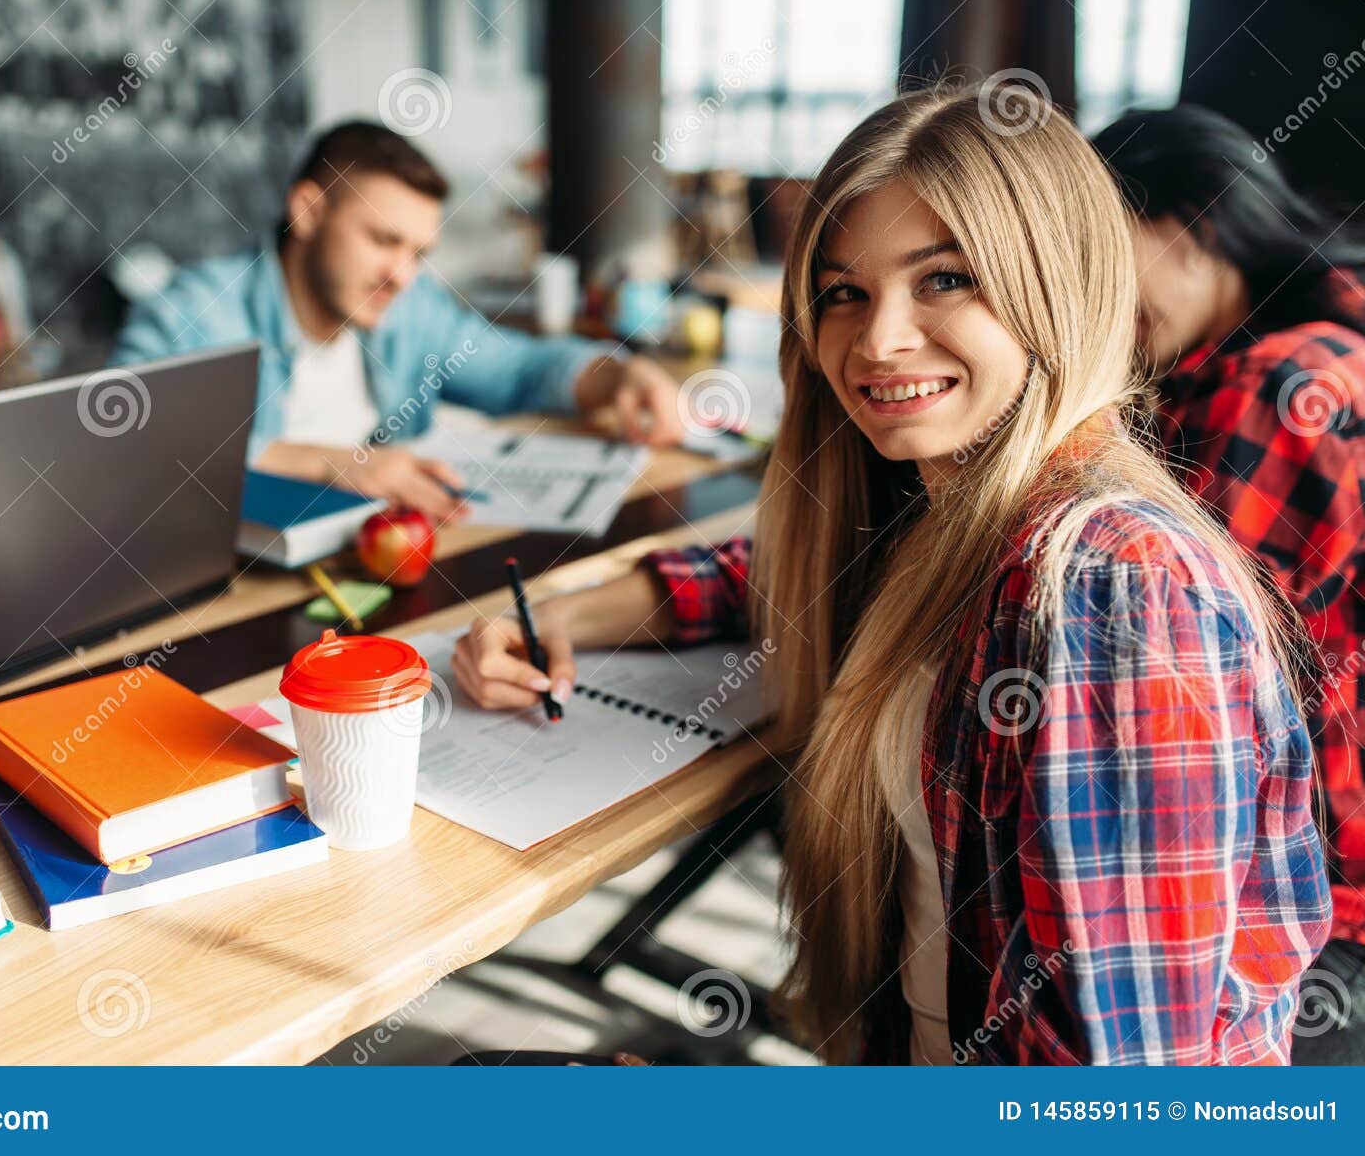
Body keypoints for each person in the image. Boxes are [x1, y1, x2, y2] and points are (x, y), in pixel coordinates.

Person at [450, 87, 1332, 1064]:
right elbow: (786, 569)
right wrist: (575, 611)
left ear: (1056, 282)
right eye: (842, 292)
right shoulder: (939, 511)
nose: (876, 341)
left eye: (944, 279)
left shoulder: (1112, 589)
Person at [1093, 106, 1365, 1064]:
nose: (1089, 297)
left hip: (1331, 914)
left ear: (1195, 217)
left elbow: (1163, 673)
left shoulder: (1276, 387)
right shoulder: (1325, 342)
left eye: (1097, 248)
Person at [112, 120, 685, 520]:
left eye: (418, 253)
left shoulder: (408, 309)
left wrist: (619, 376)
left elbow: (515, 369)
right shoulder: (196, 312)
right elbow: (125, 453)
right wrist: (332, 465)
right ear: (308, 210)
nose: (402, 275)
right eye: (384, 240)